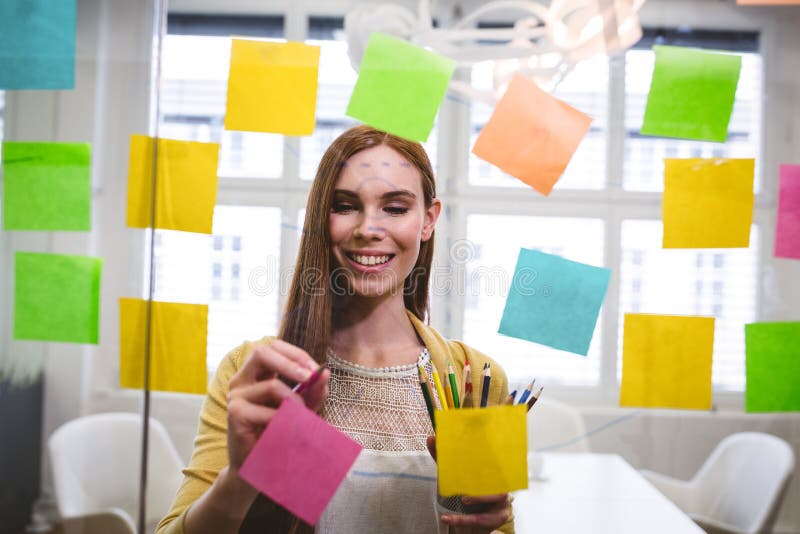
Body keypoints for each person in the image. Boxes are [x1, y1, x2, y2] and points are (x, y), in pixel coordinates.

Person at [157, 125, 514, 534]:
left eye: (395, 208)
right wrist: (240, 480)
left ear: (428, 220)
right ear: (319, 220)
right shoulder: (259, 373)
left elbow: (496, 524)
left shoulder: (476, 379)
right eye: (345, 206)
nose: (368, 228)